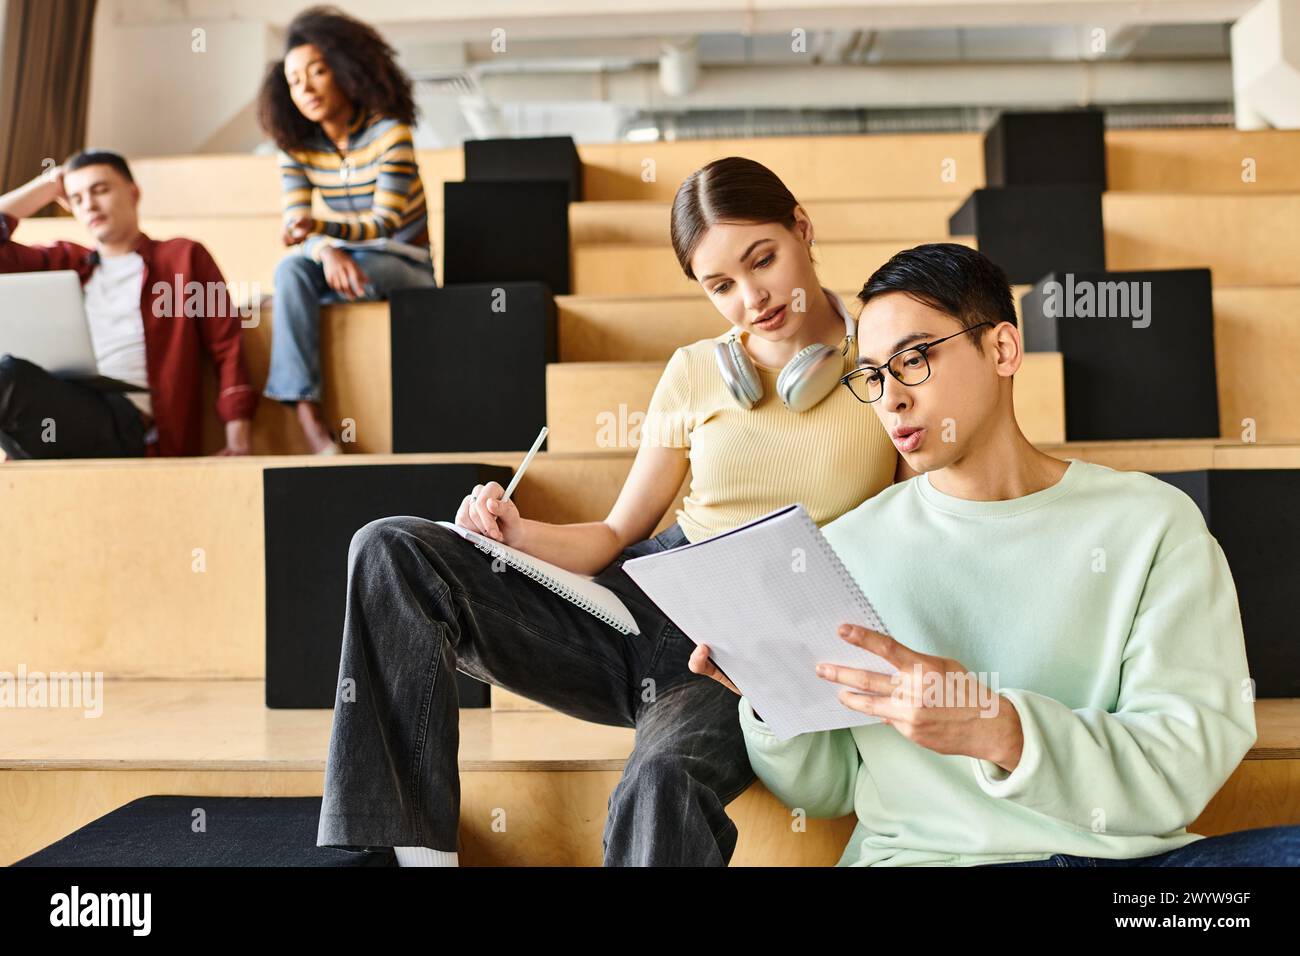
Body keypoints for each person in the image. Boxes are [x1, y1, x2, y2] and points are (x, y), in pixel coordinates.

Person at [316, 156, 908, 866]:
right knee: (391, 548)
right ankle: (412, 853)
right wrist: (518, 533)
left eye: (763, 260)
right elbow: (617, 533)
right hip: (641, 604)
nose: (752, 298)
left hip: (738, 655)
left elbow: (917, 522)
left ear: (802, 230)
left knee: (660, 783)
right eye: (721, 285)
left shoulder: (880, 364)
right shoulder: (696, 371)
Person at [692, 241, 1300, 866]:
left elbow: (1183, 757)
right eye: (872, 375)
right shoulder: (844, 549)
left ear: (1003, 348)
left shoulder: (1151, 523)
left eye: (915, 358)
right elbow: (825, 788)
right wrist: (770, 698)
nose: (891, 398)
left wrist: (999, 728)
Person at [257, 5, 436, 454]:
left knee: (307, 276)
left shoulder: (390, 134)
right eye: (295, 81)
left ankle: (298, 300)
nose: (306, 88)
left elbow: (384, 223)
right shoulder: (295, 148)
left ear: (344, 69)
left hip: (405, 265)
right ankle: (309, 421)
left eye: (317, 71)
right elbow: (297, 229)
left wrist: (319, 233)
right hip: (346, 261)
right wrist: (325, 249)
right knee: (289, 272)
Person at [0, 150, 256, 460]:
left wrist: (238, 438)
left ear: (133, 193)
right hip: (57, 413)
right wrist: (48, 185)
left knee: (7, 374)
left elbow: (226, 343)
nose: (89, 204)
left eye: (100, 190)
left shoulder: (184, 257)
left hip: (128, 425)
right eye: (77, 198)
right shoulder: (64, 262)